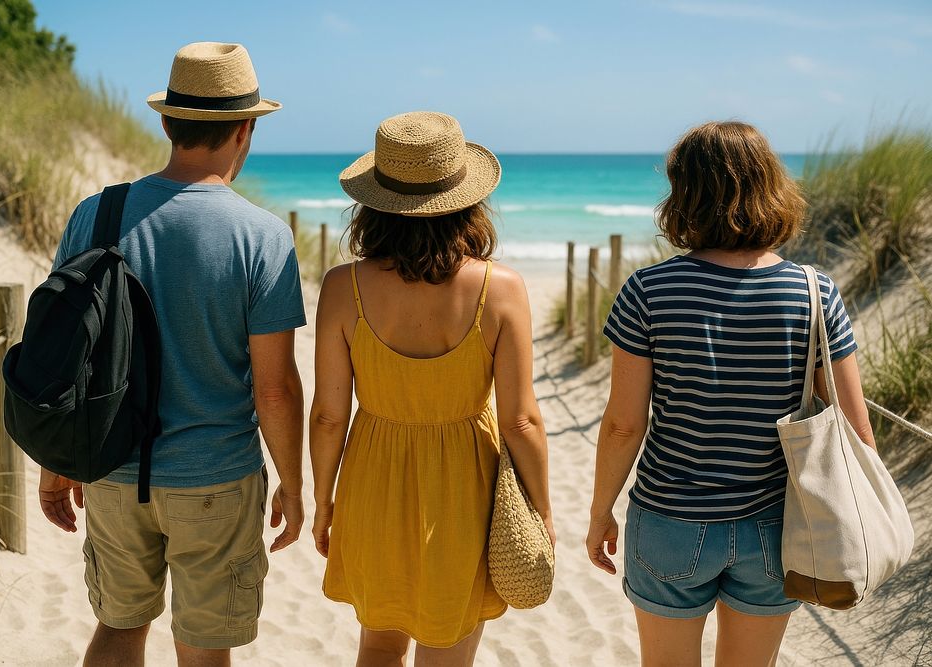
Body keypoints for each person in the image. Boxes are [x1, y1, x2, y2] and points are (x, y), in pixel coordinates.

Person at [38, 42, 307, 666]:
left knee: (119, 627)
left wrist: (57, 461)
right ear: (245, 129)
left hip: (108, 466)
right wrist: (293, 486)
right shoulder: (262, 236)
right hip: (216, 475)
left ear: (166, 122)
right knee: (205, 650)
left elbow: (62, 355)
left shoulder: (95, 215)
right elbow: (274, 389)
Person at [585, 121, 876, 667]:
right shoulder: (814, 291)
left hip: (670, 518)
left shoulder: (649, 290)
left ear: (685, 197)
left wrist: (601, 511)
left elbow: (624, 425)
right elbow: (859, 431)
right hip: (775, 523)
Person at [309, 111, 554, 667]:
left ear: (375, 203)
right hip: (463, 486)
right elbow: (522, 421)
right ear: (467, 199)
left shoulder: (343, 287)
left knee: (376, 647)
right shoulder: (501, 288)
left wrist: (323, 501)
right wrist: (540, 509)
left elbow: (328, 415)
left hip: (371, 480)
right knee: (449, 647)